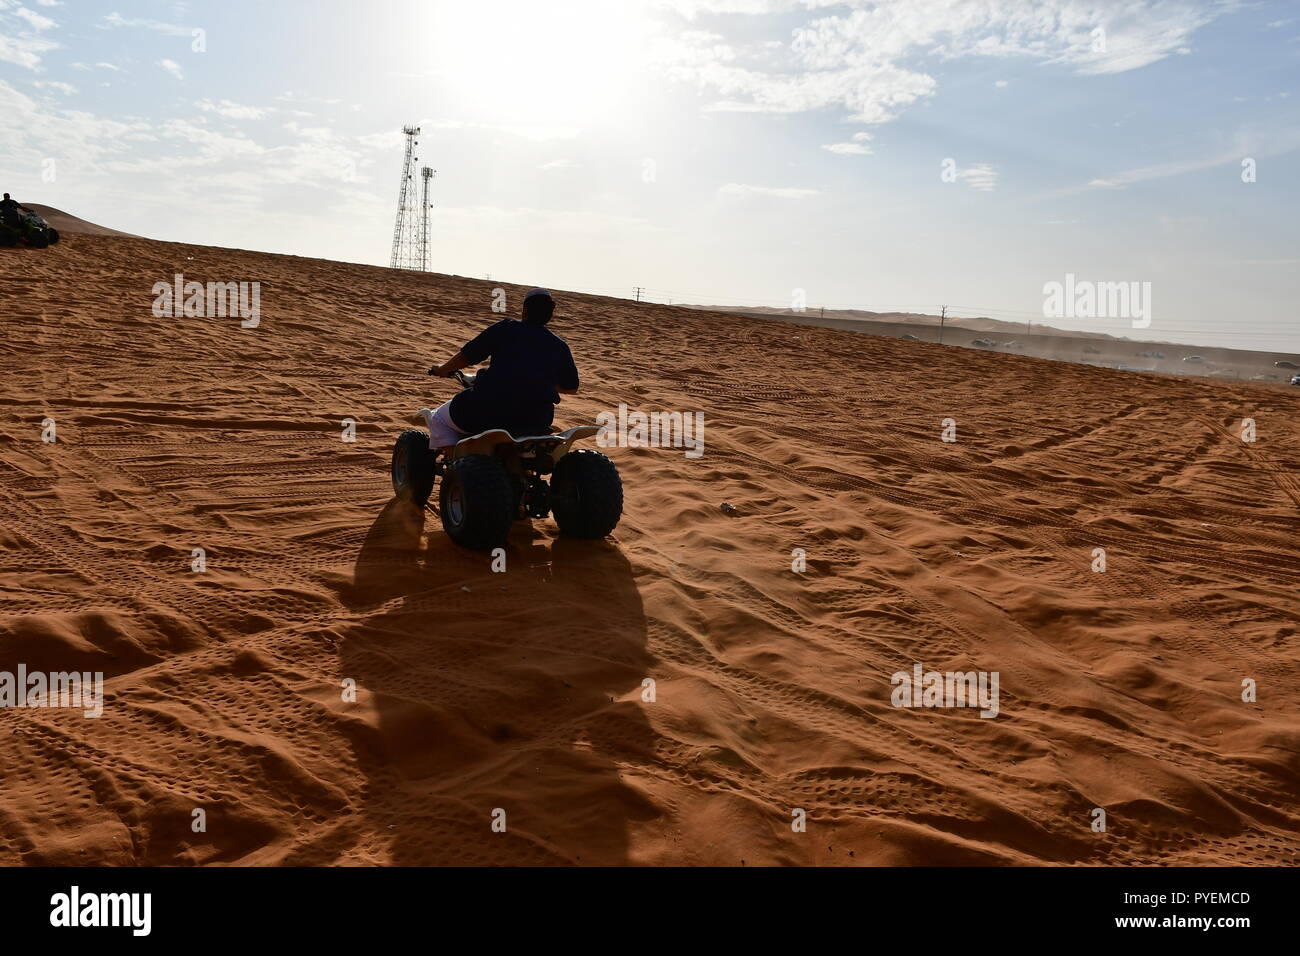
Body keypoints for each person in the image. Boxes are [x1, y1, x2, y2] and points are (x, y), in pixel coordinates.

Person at [425, 288, 579, 452]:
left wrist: (442, 369)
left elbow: (467, 356)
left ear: (525, 310)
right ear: (550, 314)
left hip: (489, 408)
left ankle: (456, 465)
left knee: (438, 418)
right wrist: (539, 381)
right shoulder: (559, 345)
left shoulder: (506, 329)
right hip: (537, 418)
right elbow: (571, 387)